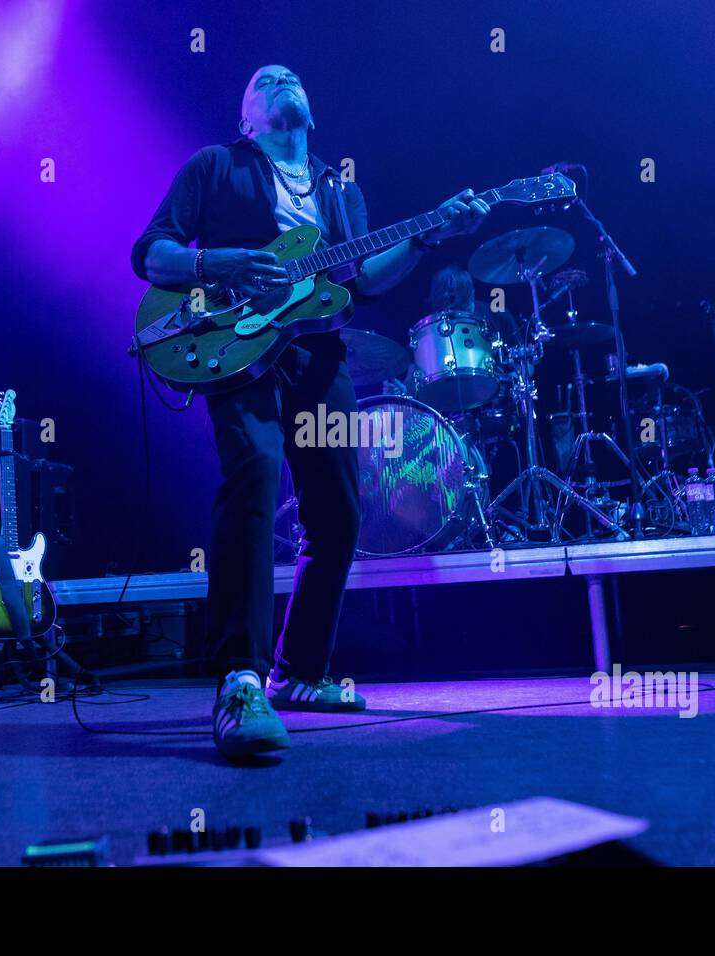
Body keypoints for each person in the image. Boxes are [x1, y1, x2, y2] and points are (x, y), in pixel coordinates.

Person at [131, 65, 489, 760]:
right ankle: (239, 678)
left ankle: (300, 674)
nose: (281, 77)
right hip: (236, 351)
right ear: (247, 119)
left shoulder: (338, 189)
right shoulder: (216, 167)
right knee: (256, 477)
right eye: (265, 80)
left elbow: (363, 281)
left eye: (290, 76)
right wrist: (220, 264)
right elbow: (152, 254)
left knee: (340, 514)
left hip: (318, 355)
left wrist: (428, 234)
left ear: (310, 112)